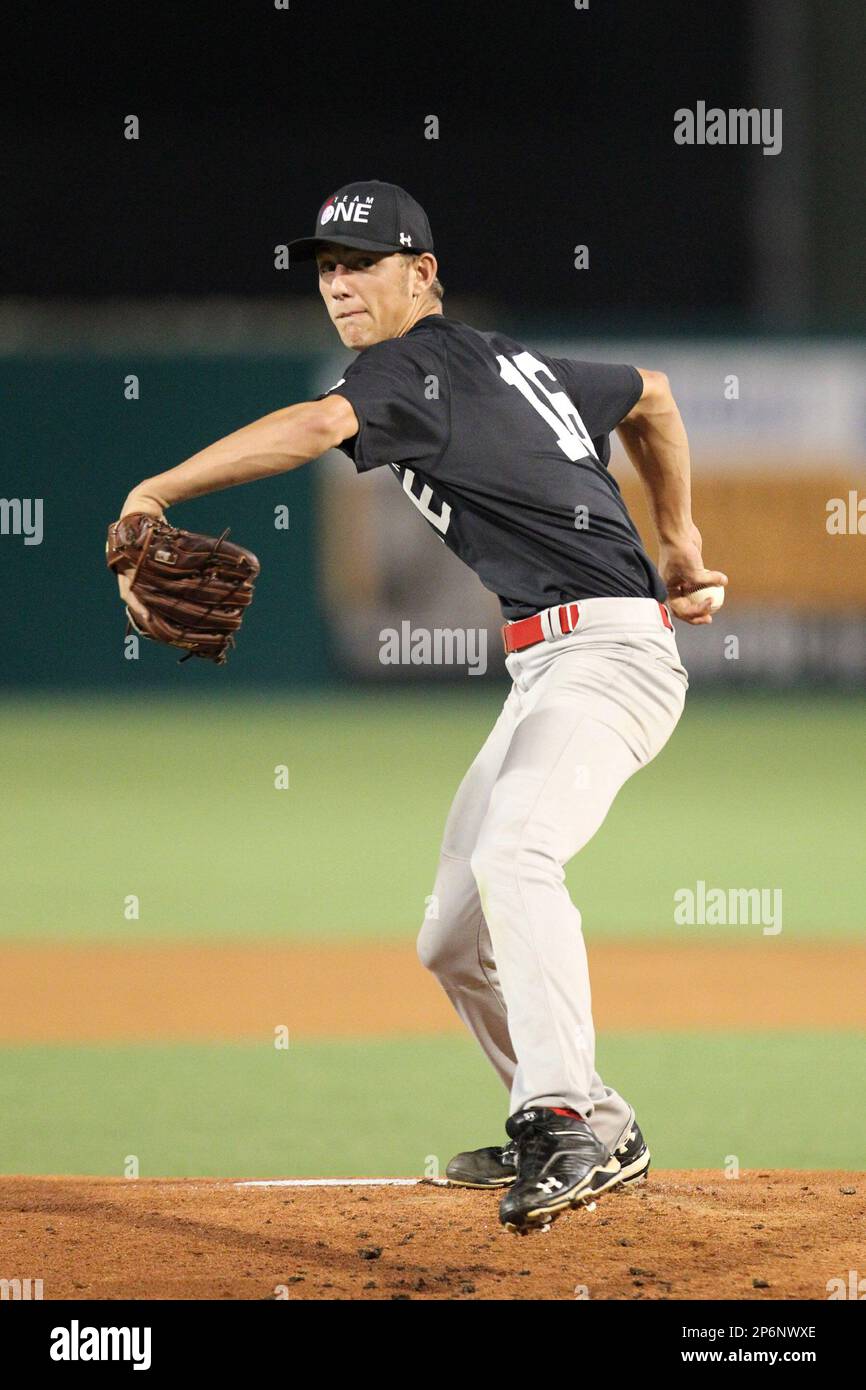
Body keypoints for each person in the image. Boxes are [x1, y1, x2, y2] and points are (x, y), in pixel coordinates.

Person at [116, 180, 727, 1234]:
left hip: (610, 656)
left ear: (423, 275)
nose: (340, 283)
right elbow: (653, 394)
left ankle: (561, 1116)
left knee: (517, 854)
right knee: (449, 937)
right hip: (557, 665)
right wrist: (679, 540)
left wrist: (153, 493)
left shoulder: (406, 366)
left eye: (361, 261)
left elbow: (315, 422)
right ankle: (604, 1119)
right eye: (325, 266)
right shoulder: (509, 361)